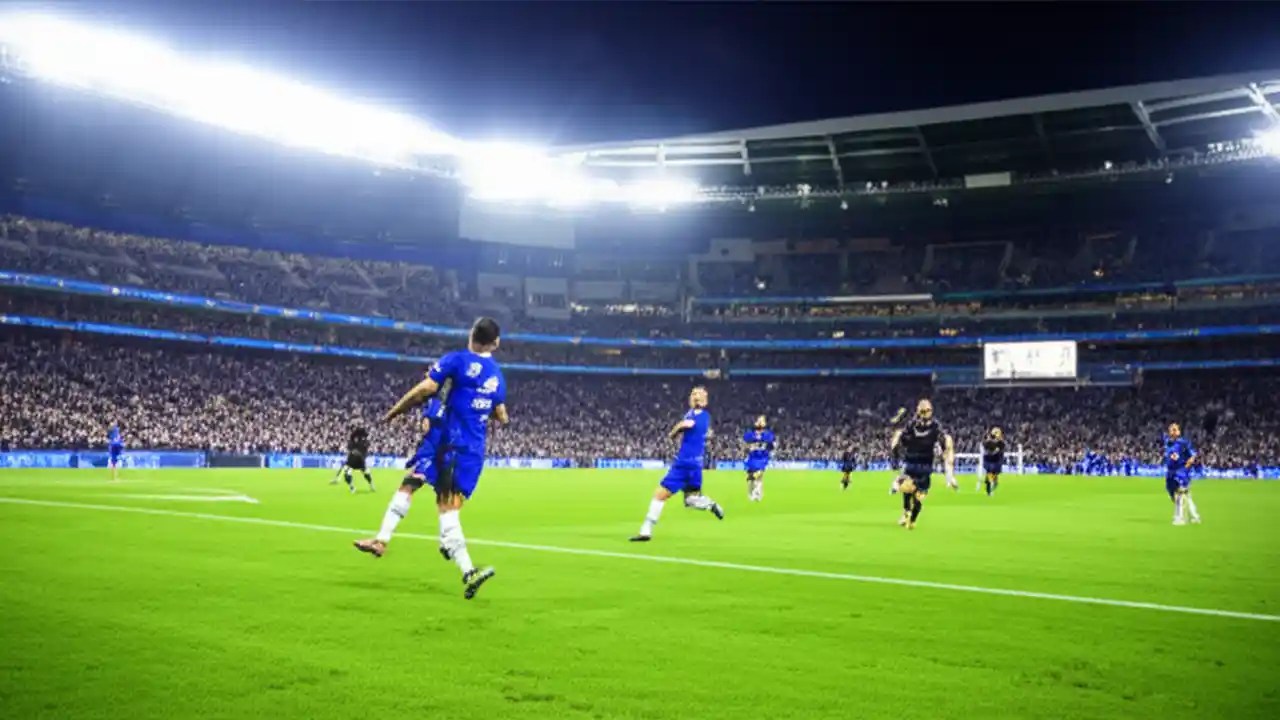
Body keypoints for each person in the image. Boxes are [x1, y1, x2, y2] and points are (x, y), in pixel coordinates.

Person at [355, 318, 507, 600]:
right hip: (470, 449)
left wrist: (393, 413)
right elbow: (501, 414)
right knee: (422, 489)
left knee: (443, 505)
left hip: (448, 443)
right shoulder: (497, 375)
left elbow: (423, 391)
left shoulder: (455, 362)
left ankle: (465, 568)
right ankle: (385, 540)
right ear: (496, 343)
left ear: (470, 334)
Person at [630, 386, 724, 542]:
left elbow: (685, 425)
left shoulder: (700, 414)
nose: (695, 396)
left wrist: (673, 432)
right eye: (693, 393)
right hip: (695, 465)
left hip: (684, 463)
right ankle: (710, 504)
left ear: (704, 400)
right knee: (690, 500)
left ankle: (646, 530)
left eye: (699, 394)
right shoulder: (695, 414)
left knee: (659, 495)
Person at [889, 399, 956, 530]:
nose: (925, 414)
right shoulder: (912, 424)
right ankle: (906, 511)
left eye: (927, 411)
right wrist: (898, 442)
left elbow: (943, 440)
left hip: (925, 464)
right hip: (912, 460)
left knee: (918, 496)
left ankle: (912, 519)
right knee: (907, 488)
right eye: (923, 411)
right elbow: (903, 438)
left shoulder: (935, 426)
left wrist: (945, 451)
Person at [1164, 423, 1201, 525]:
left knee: (1180, 494)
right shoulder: (1167, 443)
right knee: (1180, 495)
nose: (1172, 431)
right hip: (1170, 472)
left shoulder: (1183, 443)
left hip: (1180, 471)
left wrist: (1185, 469)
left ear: (1179, 432)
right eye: (1171, 430)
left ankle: (1180, 518)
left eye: (1175, 429)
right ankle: (1195, 516)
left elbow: (1192, 456)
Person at [742, 415, 776, 502]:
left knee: (759, 475)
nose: (760, 422)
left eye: (762, 421)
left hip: (762, 458)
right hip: (752, 458)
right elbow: (745, 444)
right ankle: (751, 494)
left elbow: (772, 445)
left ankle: (758, 494)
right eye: (759, 420)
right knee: (752, 478)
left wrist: (770, 451)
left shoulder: (767, 435)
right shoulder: (750, 434)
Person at [333, 426, 375, 493]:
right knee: (347, 474)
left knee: (366, 473)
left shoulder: (364, 442)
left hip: (360, 460)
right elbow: (350, 450)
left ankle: (371, 484)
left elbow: (364, 451)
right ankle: (352, 487)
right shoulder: (352, 442)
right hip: (352, 460)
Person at [980, 427, 1005, 496]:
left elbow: (1000, 450)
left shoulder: (1000, 443)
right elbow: (986, 446)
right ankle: (989, 488)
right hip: (989, 460)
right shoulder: (989, 442)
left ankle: (990, 485)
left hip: (995, 460)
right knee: (990, 473)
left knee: (993, 475)